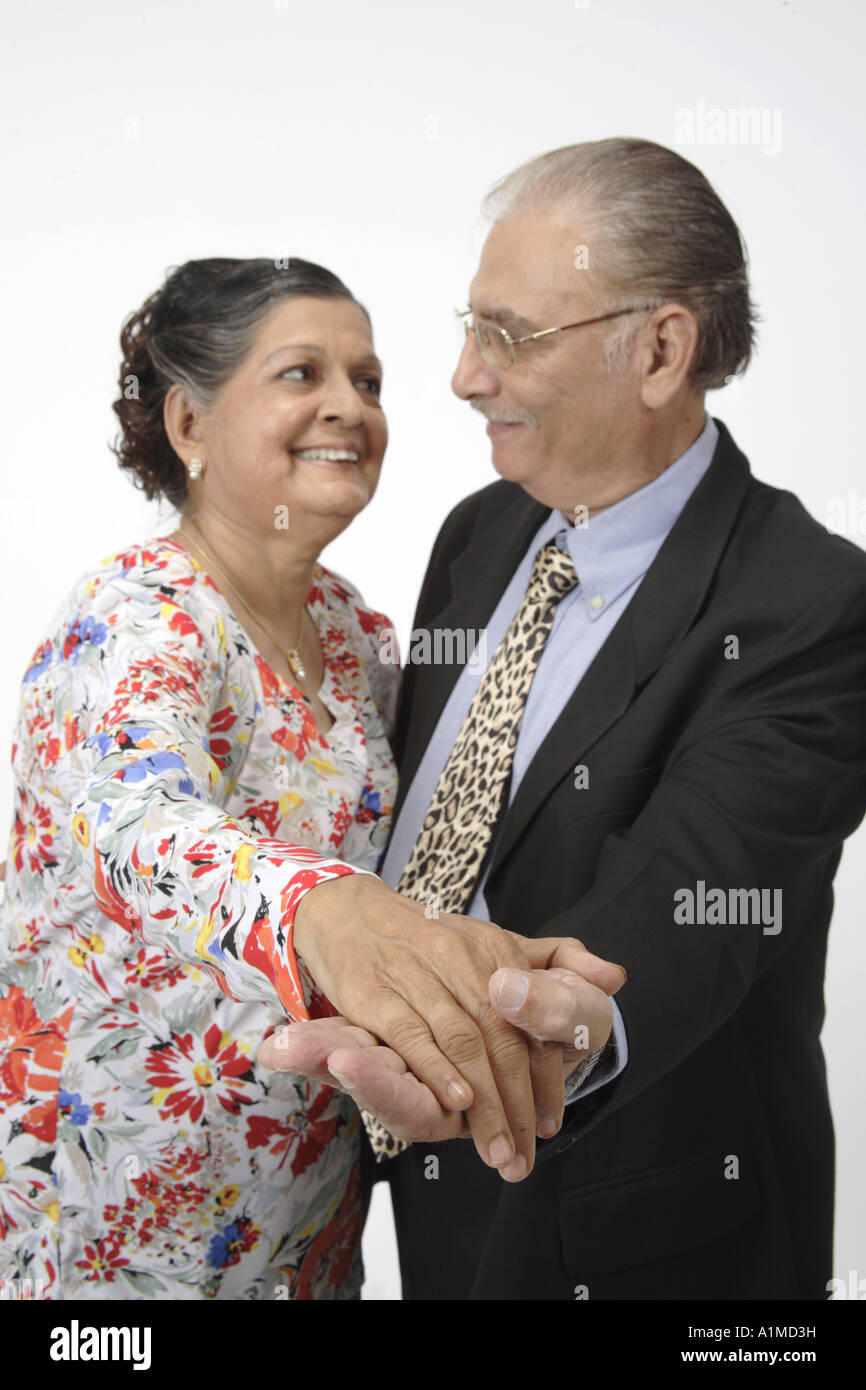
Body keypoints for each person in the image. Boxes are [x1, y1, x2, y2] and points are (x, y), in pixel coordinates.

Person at [264, 138, 866, 1300]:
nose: (460, 377)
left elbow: (702, 888)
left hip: (648, 1235)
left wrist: (538, 1030)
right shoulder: (481, 531)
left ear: (658, 349)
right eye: (466, 325)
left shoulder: (809, 603)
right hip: (434, 1205)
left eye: (509, 334)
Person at [0, 255, 621, 1300]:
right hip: (112, 1234)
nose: (349, 406)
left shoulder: (356, 633)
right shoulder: (137, 611)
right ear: (190, 426)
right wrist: (322, 907)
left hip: (309, 1227)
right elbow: (132, 822)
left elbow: (436, 842)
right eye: (301, 373)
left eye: (368, 381)